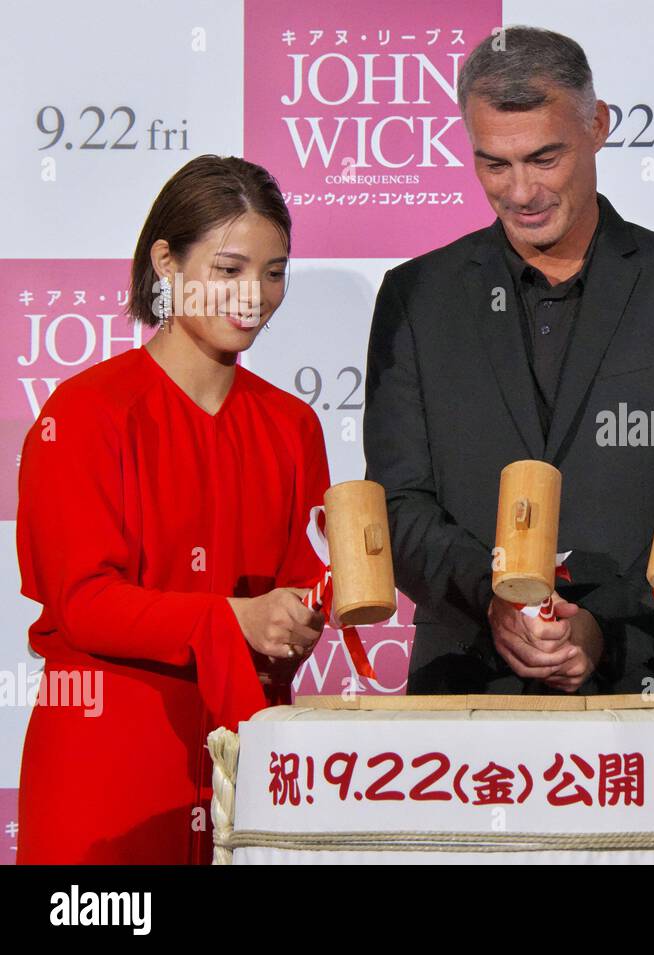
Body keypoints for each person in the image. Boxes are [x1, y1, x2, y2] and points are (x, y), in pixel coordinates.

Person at [364, 27, 654, 698]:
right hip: (468, 689)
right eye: (495, 164)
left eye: (545, 157)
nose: (522, 191)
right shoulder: (417, 296)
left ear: (599, 125)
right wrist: (501, 602)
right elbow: (400, 502)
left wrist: (602, 625)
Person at [16, 155, 331, 864]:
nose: (254, 295)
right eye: (229, 270)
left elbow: (306, 582)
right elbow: (85, 600)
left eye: (274, 271)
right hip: (109, 769)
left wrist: (303, 615)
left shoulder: (293, 425)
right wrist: (231, 618)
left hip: (251, 770)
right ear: (167, 262)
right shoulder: (87, 414)